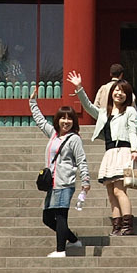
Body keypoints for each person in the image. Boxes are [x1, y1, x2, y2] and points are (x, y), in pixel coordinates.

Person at [69, 70, 137, 236]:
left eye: (123, 92)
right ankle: (116, 227)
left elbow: (132, 131)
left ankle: (127, 225)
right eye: (117, 90)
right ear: (111, 93)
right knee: (110, 193)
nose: (119, 93)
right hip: (109, 153)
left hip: (123, 151)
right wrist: (79, 88)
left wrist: (135, 150)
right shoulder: (104, 112)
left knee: (119, 190)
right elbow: (88, 106)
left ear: (128, 96)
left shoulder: (129, 111)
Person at [29, 86, 91, 257]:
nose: (66, 121)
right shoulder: (54, 134)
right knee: (47, 218)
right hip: (52, 184)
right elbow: (40, 121)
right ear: (57, 120)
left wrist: (85, 181)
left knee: (61, 215)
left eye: (69, 118)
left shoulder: (74, 139)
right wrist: (33, 101)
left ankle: (60, 250)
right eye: (62, 118)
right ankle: (72, 240)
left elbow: (82, 161)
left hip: (65, 182)